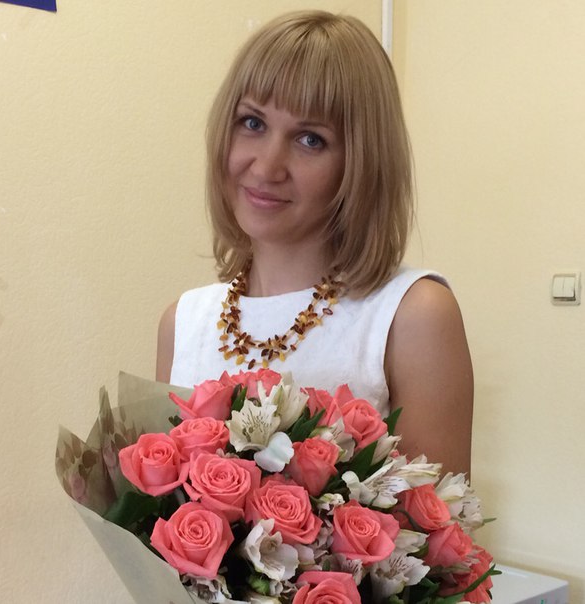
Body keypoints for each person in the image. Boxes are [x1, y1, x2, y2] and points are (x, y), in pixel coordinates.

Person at [156, 10, 473, 476]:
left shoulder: (412, 316)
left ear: (361, 162)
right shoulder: (182, 322)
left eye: (310, 139)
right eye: (252, 123)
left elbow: (442, 520)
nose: (267, 167)